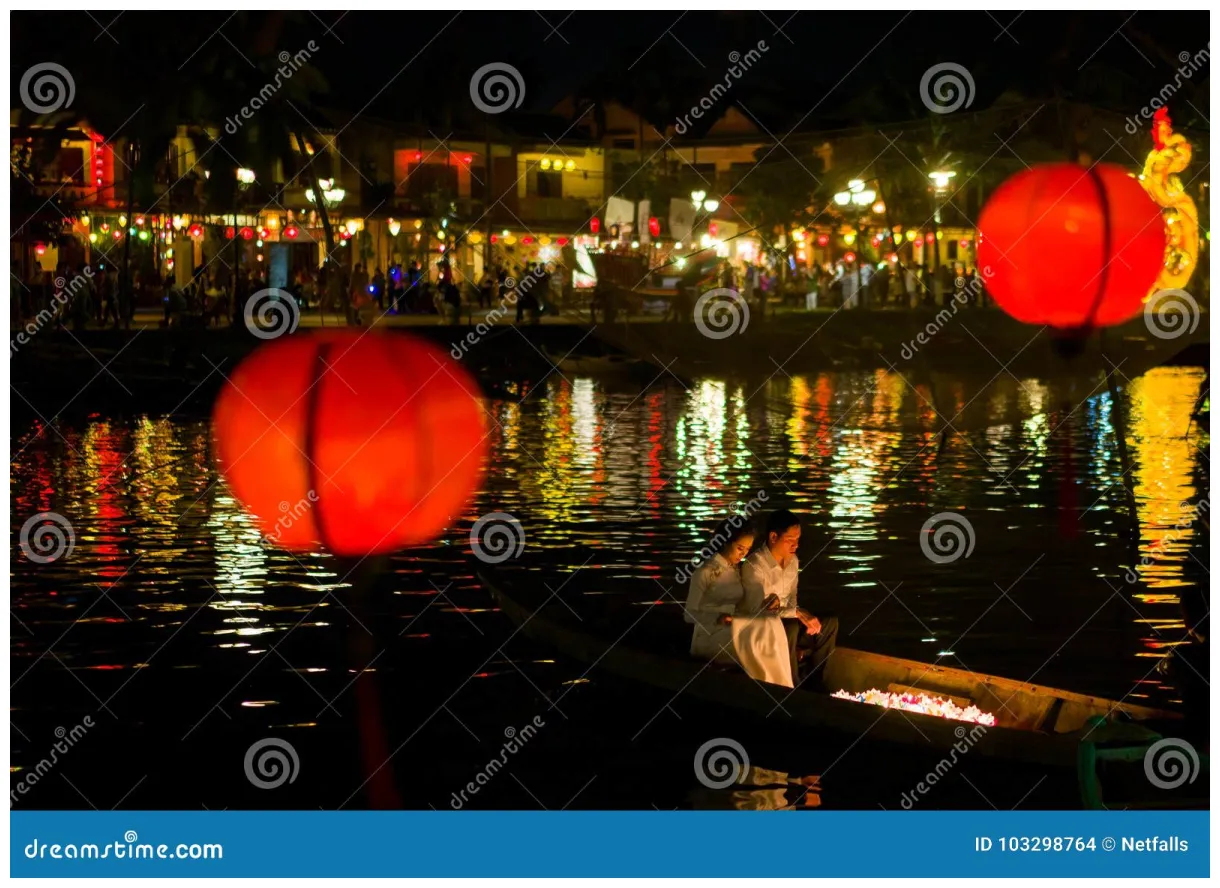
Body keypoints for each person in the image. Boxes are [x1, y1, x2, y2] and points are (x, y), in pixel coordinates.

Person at [684, 516, 794, 688]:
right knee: (759, 635)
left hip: (730, 627)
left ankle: (781, 685)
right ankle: (772, 687)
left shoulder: (735, 570)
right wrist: (717, 618)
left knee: (772, 622)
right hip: (708, 635)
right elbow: (689, 614)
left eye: (748, 550)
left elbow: (742, 605)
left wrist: (765, 602)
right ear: (726, 542)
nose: (743, 555)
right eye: (740, 548)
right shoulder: (705, 571)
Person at [742, 509, 838, 686]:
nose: (796, 545)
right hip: (765, 630)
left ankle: (816, 682)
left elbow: (792, 599)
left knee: (829, 623)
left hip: (789, 622)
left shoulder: (793, 561)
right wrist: (796, 613)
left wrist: (798, 614)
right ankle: (791, 685)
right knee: (792, 625)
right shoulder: (754, 566)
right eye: (790, 540)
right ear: (773, 537)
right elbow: (756, 610)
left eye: (798, 539)